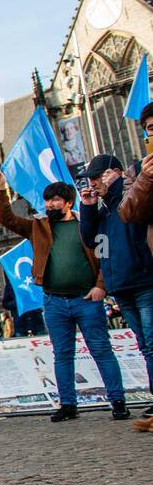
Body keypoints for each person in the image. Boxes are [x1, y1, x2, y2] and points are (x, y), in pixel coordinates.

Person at [0, 171, 127, 421]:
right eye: (47, 200)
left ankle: (117, 401)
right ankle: (67, 404)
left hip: (86, 300)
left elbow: (106, 255)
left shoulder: (87, 223)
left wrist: (101, 286)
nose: (49, 204)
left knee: (101, 350)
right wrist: (0, 191)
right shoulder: (38, 227)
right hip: (54, 300)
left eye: (55, 200)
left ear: (67, 203)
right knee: (62, 354)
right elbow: (7, 218)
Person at [81, 152, 153, 422]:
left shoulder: (131, 198)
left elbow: (132, 215)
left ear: (114, 173)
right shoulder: (101, 213)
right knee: (146, 345)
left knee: (152, 344)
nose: (93, 184)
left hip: (144, 281)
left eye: (96, 178)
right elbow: (92, 241)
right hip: (121, 287)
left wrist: (115, 189)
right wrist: (87, 208)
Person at [115, 138, 153, 427]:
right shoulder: (139, 171)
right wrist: (144, 178)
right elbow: (127, 213)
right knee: (148, 344)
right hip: (136, 277)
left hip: (142, 278)